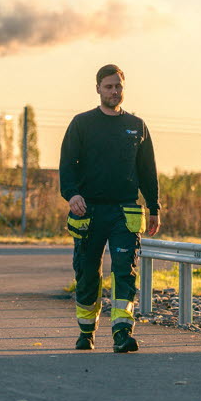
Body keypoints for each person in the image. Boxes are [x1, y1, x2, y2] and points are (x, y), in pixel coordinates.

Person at [60, 64, 161, 353]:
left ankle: (121, 331)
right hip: (88, 212)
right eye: (108, 86)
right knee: (87, 272)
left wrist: (153, 207)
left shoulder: (137, 126)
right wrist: (72, 195)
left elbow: (147, 170)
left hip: (125, 213)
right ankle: (86, 331)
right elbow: (67, 166)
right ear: (98, 89)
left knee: (124, 272)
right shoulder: (81, 124)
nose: (114, 91)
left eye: (118, 86)